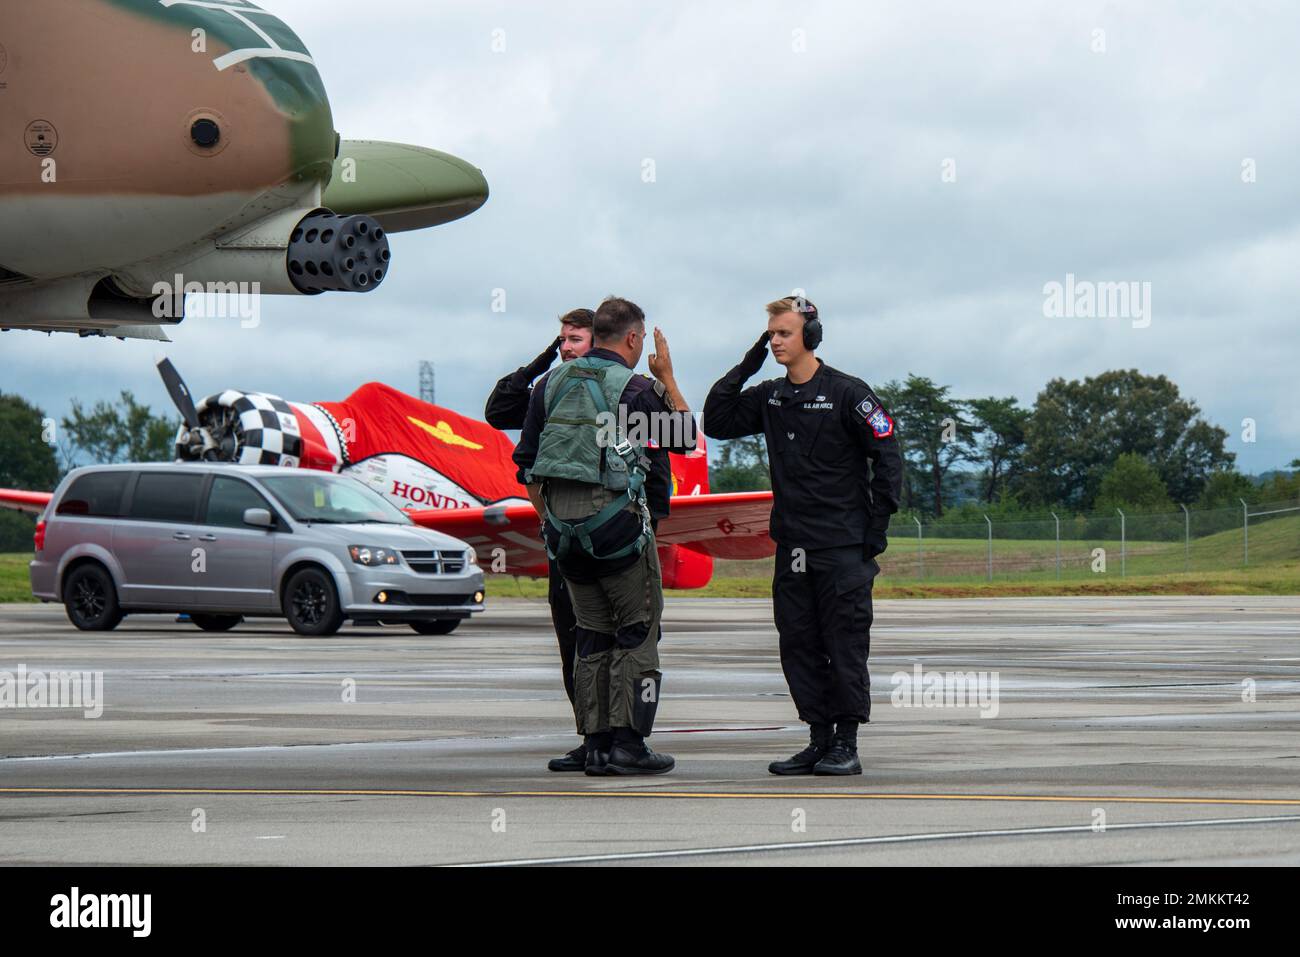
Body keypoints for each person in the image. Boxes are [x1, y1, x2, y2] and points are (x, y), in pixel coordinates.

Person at [702, 296, 903, 775]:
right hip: (792, 547)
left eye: (784, 333)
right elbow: (718, 419)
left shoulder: (850, 394)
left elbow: (889, 457)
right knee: (798, 642)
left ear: (810, 338)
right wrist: (751, 359)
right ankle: (817, 738)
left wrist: (874, 529)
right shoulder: (772, 397)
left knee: (844, 642)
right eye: (770, 334)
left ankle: (846, 744)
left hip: (843, 546)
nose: (775, 341)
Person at [514, 296, 695, 775]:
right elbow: (684, 437)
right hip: (617, 531)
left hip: (563, 534)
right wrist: (669, 378)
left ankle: (593, 745)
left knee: (591, 634)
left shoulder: (549, 386)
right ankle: (628, 745)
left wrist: (550, 519)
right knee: (636, 632)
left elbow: (526, 462)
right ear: (633, 338)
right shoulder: (633, 390)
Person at [485, 308, 594, 772]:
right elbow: (498, 412)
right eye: (562, 340)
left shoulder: (624, 389)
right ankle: (590, 736)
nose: (567, 347)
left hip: (610, 535)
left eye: (576, 339)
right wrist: (540, 362)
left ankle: (622, 738)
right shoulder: (547, 392)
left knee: (611, 644)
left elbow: (660, 449)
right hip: (561, 537)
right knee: (571, 640)